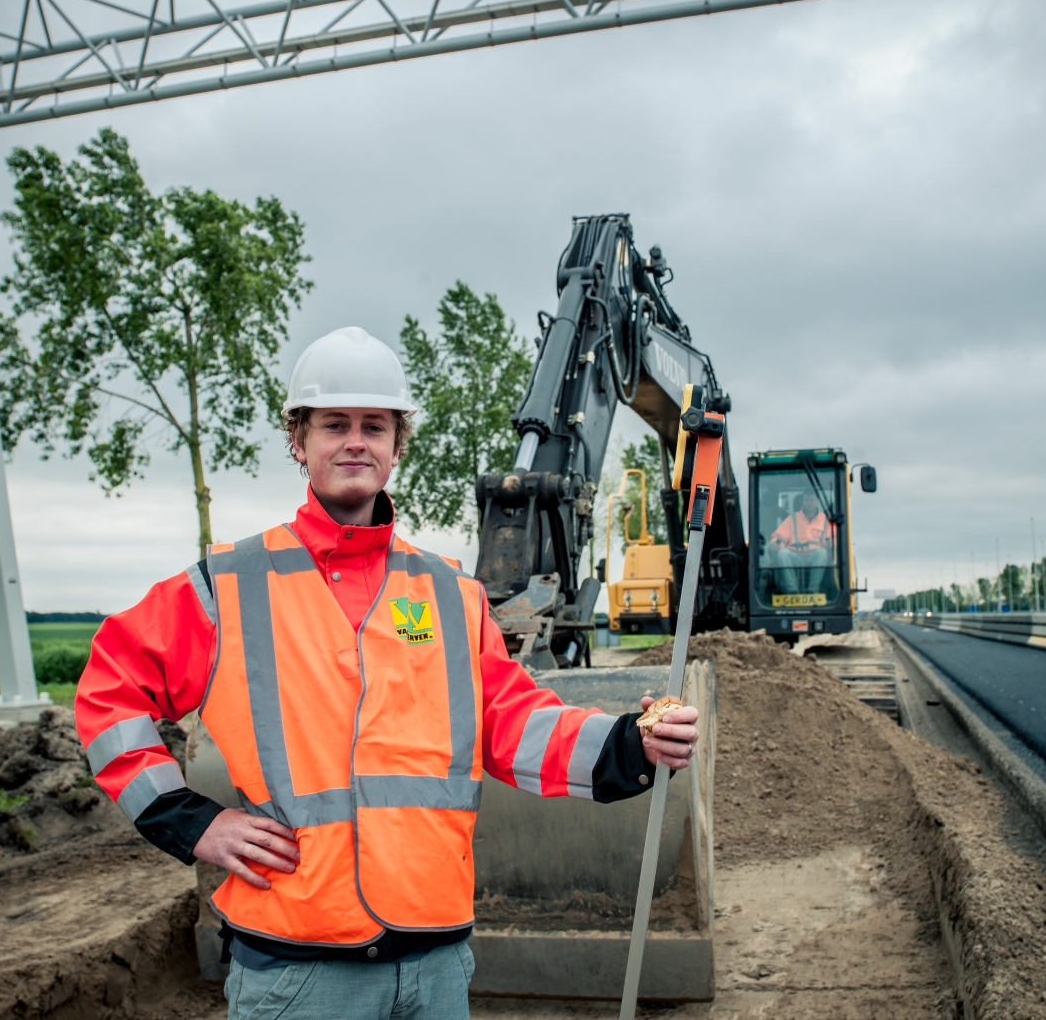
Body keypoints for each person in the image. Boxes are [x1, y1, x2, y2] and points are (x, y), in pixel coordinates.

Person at [74, 326, 698, 1020]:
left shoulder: (447, 594)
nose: (354, 441)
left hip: (431, 966)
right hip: (297, 969)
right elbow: (110, 693)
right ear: (298, 440)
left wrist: (627, 745)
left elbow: (508, 722)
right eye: (333, 424)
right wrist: (188, 821)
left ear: (398, 445)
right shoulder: (229, 586)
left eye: (374, 426)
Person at [767, 489, 837, 593]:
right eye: (806, 500)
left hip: (815, 556)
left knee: (822, 553)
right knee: (783, 553)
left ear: (817, 501)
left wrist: (830, 545)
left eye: (811, 500)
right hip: (795, 555)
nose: (808, 503)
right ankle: (792, 590)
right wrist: (777, 543)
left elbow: (833, 537)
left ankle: (812, 590)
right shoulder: (792, 519)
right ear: (803, 502)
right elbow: (778, 536)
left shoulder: (825, 520)